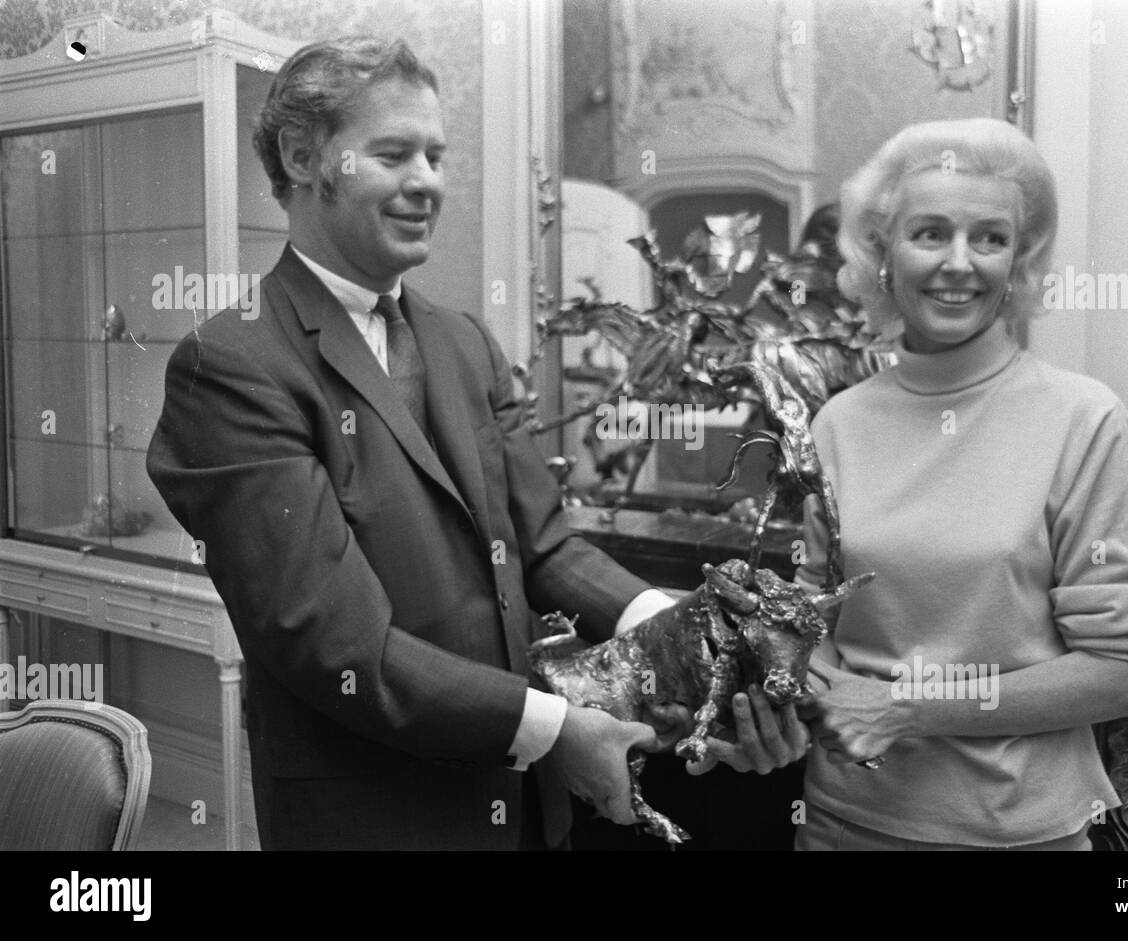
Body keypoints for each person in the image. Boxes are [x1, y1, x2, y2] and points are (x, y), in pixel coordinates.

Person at [145, 36, 781, 850]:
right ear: (303, 157)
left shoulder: (464, 343)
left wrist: (683, 623)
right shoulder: (230, 364)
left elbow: (545, 546)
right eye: (395, 153)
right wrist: (555, 730)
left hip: (521, 809)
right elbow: (339, 645)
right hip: (375, 817)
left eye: (437, 157)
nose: (428, 183)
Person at [788, 118, 1128, 850]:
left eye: (989, 238)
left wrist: (905, 706)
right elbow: (811, 620)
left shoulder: (1083, 420)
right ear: (881, 253)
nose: (959, 263)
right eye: (929, 232)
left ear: (1018, 261)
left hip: (1014, 833)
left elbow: (1116, 677)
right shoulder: (837, 422)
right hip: (841, 823)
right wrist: (802, 683)